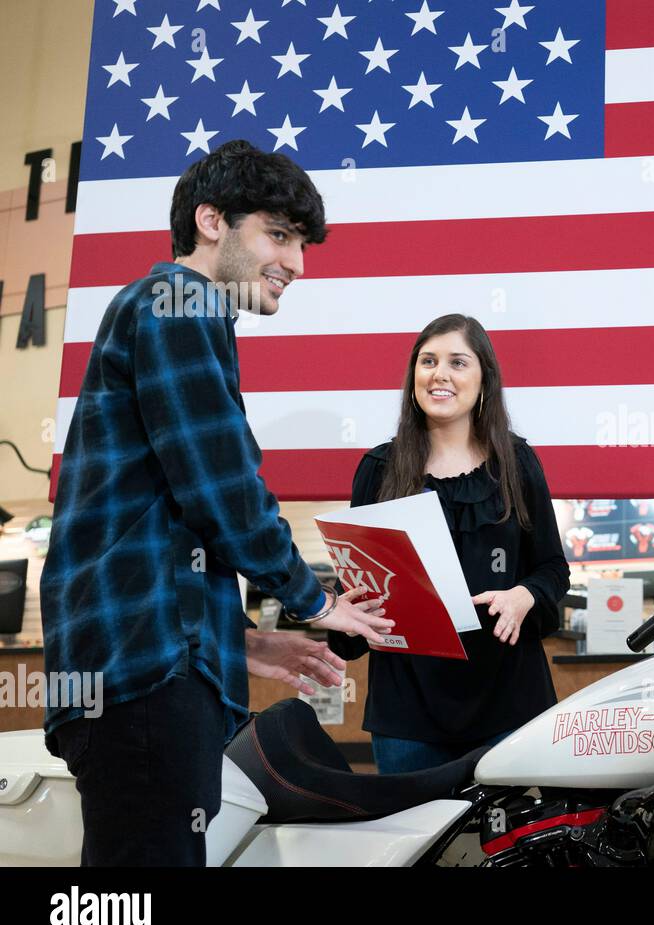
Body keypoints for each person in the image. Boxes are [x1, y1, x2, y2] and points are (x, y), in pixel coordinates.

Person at [40, 139, 392, 866]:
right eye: (279, 235)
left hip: (137, 669)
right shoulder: (178, 302)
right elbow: (220, 486)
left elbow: (164, 520)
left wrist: (246, 640)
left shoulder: (172, 313)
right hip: (141, 680)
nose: (296, 263)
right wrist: (315, 601)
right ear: (211, 221)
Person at [327, 313, 570, 774]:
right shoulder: (378, 469)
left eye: (458, 362)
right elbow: (358, 591)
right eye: (428, 361)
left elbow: (553, 569)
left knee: (508, 846)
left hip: (509, 696)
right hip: (407, 706)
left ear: (484, 380)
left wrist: (524, 595)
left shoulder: (517, 462)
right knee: (417, 842)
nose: (440, 374)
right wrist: (354, 611)